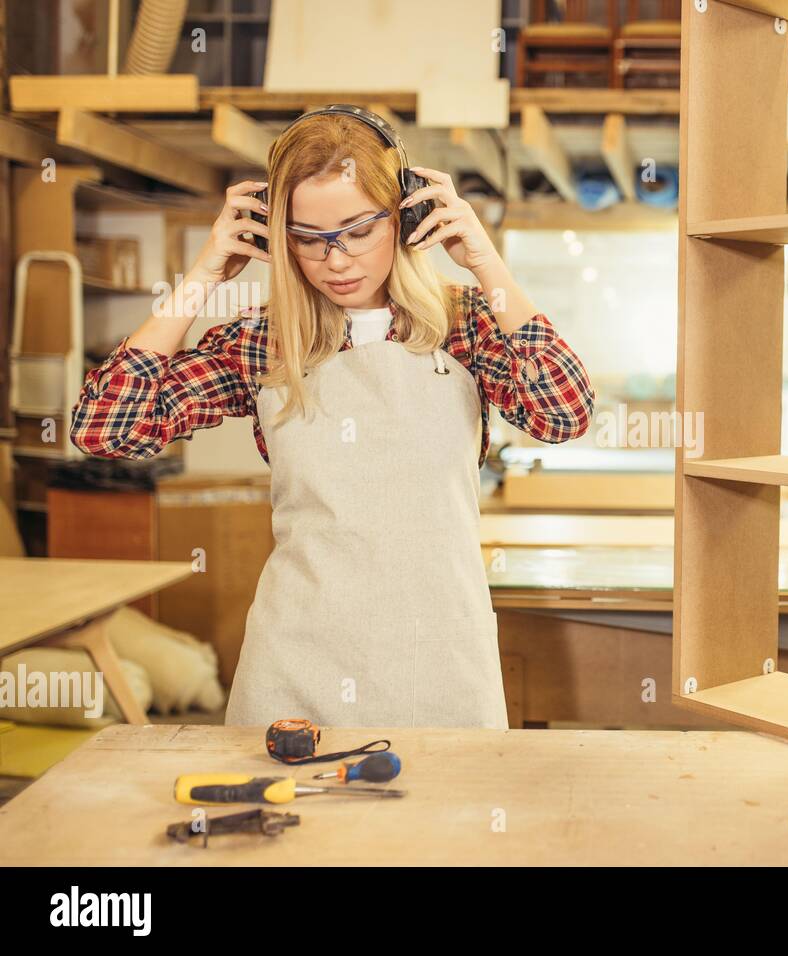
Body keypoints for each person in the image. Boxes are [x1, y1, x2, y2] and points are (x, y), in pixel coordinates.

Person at [70, 105, 595, 729]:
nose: (336, 260)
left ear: (404, 216)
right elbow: (104, 427)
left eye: (357, 229)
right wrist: (202, 277)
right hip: (298, 659)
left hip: (440, 652)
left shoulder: (470, 324)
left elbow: (565, 414)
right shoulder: (265, 341)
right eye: (308, 238)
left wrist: (486, 262)